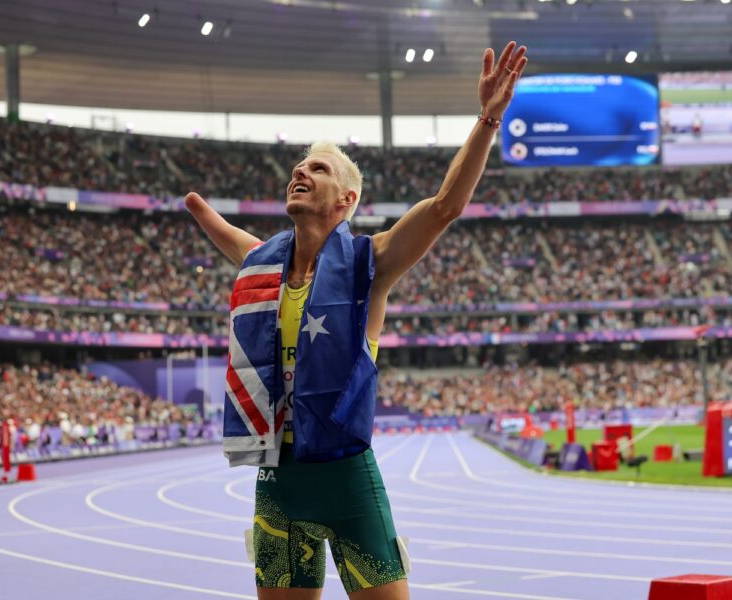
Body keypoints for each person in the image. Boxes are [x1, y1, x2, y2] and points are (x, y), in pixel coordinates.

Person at [185, 41, 527, 600]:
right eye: (298, 167)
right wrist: (205, 215)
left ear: (346, 199)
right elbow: (241, 246)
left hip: (346, 477)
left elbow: (444, 207)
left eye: (316, 169)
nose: (300, 171)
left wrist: (488, 119)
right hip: (278, 479)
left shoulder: (371, 265)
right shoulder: (263, 270)